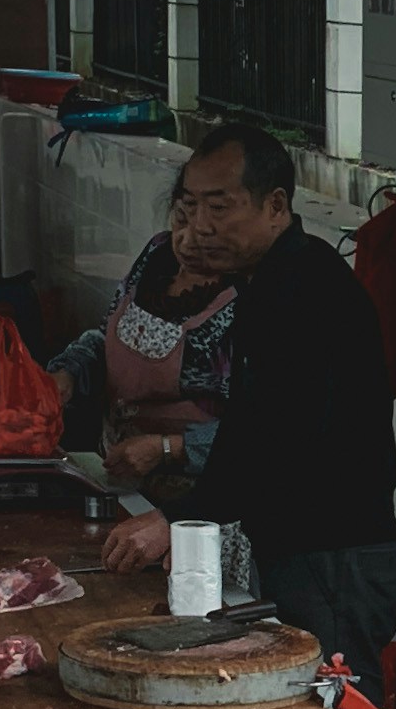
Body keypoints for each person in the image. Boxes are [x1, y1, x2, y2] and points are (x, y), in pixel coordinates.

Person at [99, 125, 396, 686]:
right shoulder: (266, 280)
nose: (202, 225)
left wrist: (180, 519)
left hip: (337, 556)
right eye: (190, 206)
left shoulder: (303, 288)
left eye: (221, 206)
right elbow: (251, 429)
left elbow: (276, 437)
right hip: (304, 549)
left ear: (276, 205)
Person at [49, 170, 250, 491]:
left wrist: (168, 449)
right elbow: (107, 340)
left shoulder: (249, 298)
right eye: (181, 220)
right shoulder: (156, 256)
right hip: (119, 475)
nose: (187, 241)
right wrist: (68, 374)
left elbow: (263, 428)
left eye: (207, 230)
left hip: (201, 498)